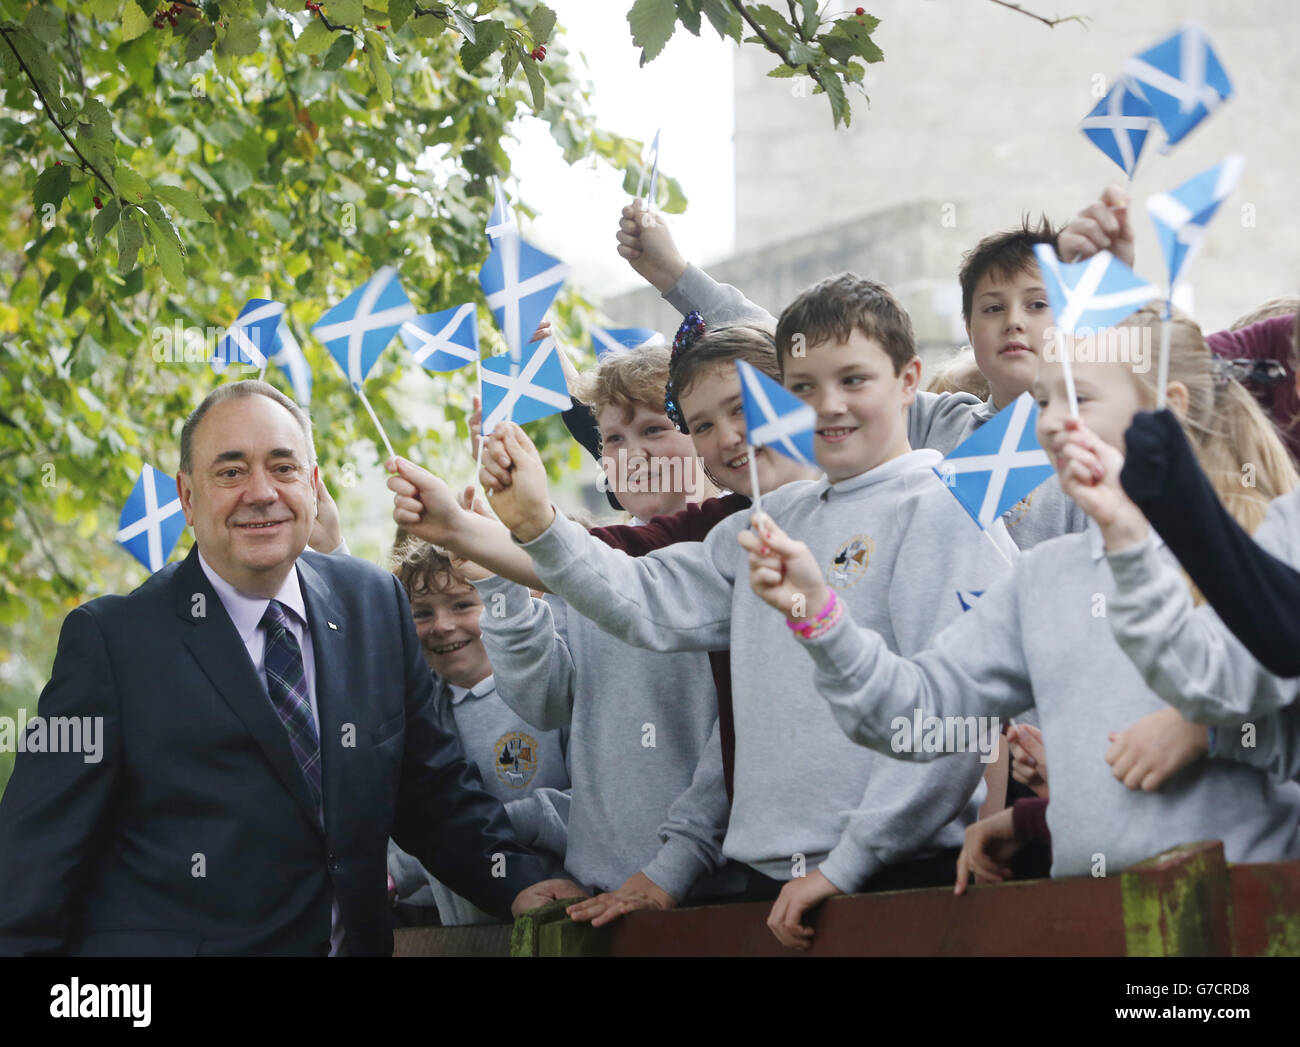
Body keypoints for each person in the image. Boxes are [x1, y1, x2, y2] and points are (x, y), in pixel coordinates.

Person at [476, 274, 1011, 949]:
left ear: (909, 380)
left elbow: (956, 720)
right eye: (804, 389)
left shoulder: (943, 504)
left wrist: (848, 864)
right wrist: (534, 525)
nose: (828, 405)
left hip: (899, 881)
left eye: (852, 380)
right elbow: (647, 598)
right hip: (773, 885)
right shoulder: (769, 520)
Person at [0, 381, 579, 956]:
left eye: (282, 467)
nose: (261, 492)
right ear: (187, 496)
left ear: (313, 483)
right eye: (230, 472)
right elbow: (33, 861)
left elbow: (429, 788)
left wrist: (518, 883)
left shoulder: (374, 603)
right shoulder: (112, 642)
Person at [739, 305, 1300, 889]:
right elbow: (919, 718)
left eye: (1079, 399)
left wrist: (1205, 731)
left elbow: (1253, 708)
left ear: (1169, 409)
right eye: (1044, 401)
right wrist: (820, 615)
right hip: (1087, 921)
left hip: (1245, 918)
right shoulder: (1043, 577)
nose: (1053, 423)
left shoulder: (1255, 553)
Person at [616, 199, 1086, 549]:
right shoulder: (934, 422)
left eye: (1039, 303)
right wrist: (675, 274)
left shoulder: (1099, 446)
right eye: (993, 307)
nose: (1014, 321)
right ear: (968, 327)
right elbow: (791, 346)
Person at [386, 539, 572, 926]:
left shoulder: (554, 690)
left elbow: (598, 809)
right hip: (461, 933)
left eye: (462, 605)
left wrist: (512, 819)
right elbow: (422, 825)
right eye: (422, 613)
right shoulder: (414, 715)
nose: (443, 626)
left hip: (562, 918)